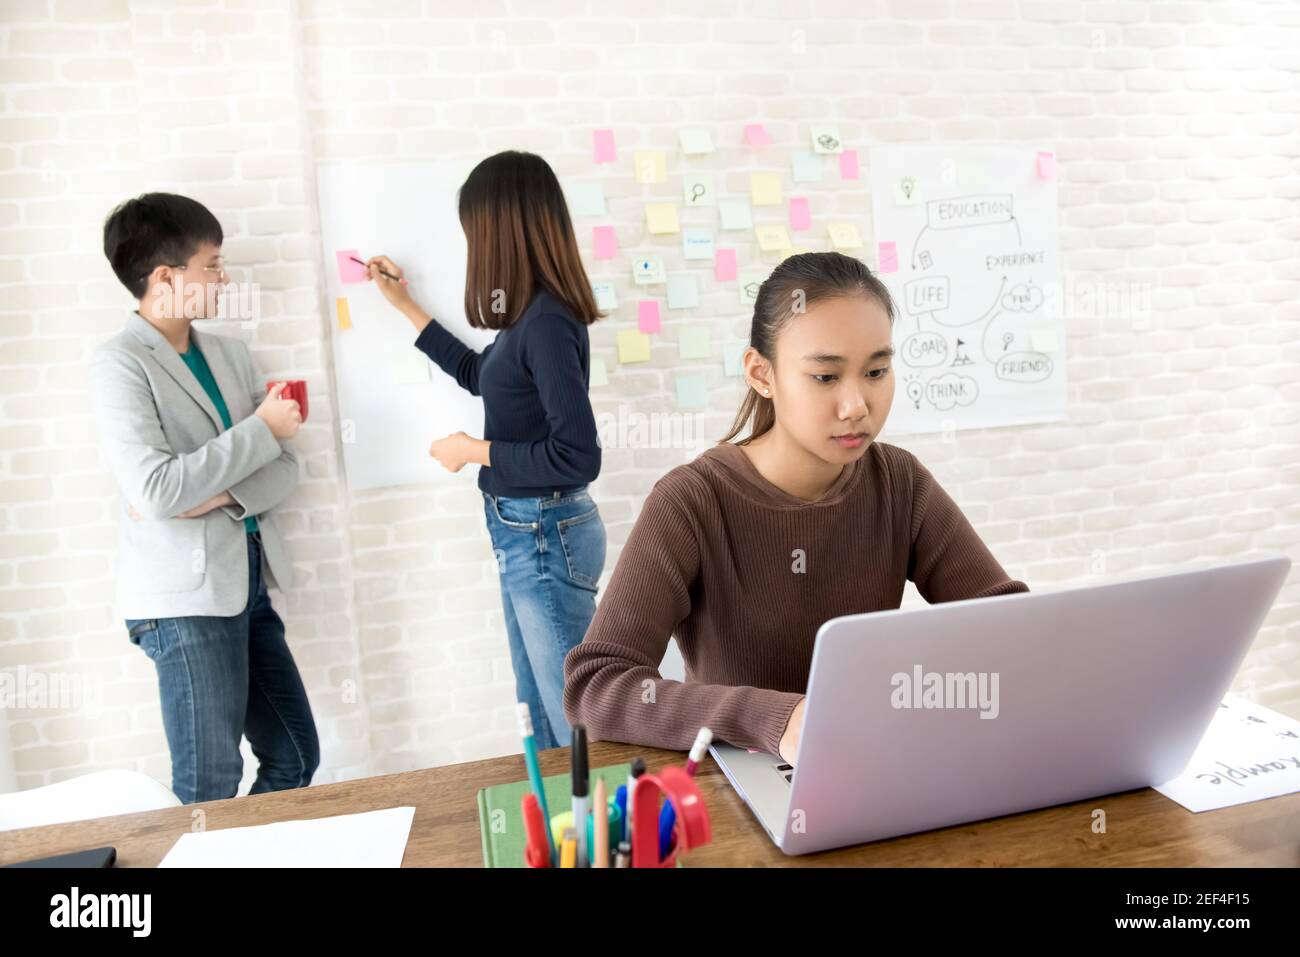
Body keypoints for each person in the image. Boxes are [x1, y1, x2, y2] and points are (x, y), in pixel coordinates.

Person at [563, 251, 1029, 763]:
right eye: (826, 377)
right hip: (744, 781)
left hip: (870, 761)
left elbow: (1003, 625)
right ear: (762, 374)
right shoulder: (691, 502)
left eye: (876, 371)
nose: (857, 405)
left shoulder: (901, 483)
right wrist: (776, 720)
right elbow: (596, 687)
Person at [91, 192, 319, 802]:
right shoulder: (119, 364)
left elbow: (285, 469)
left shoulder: (229, 354)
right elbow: (159, 488)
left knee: (296, 757)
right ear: (166, 278)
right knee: (209, 783)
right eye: (212, 264)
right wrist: (261, 432)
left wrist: (215, 494)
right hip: (184, 601)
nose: (224, 277)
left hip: (248, 583)